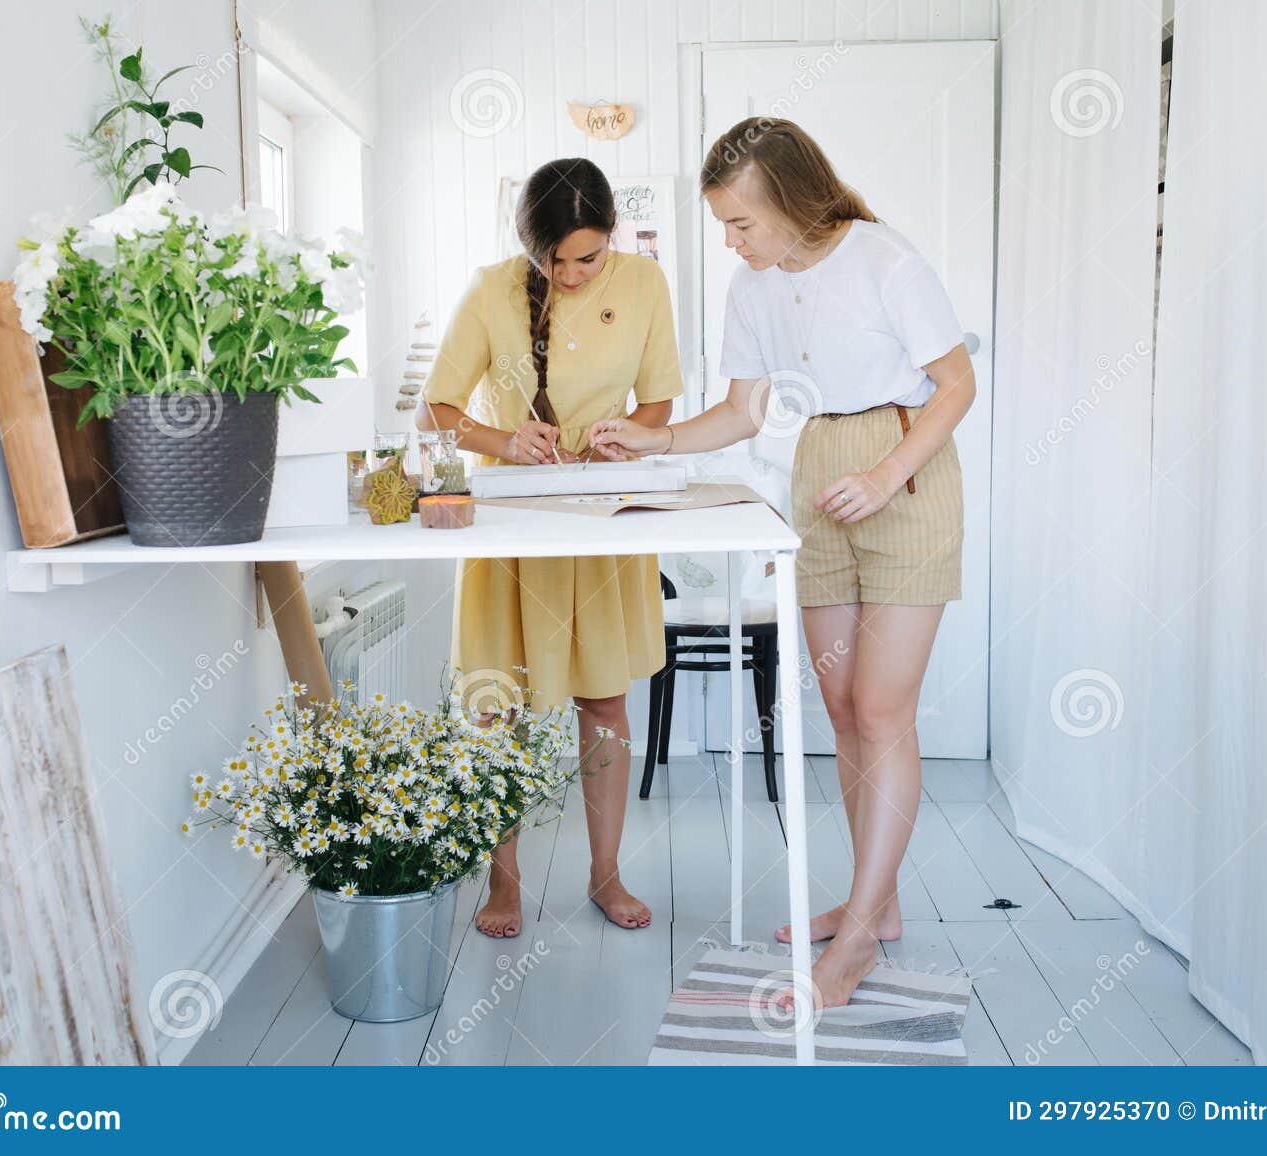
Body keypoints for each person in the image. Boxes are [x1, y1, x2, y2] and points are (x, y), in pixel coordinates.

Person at [589, 118, 975, 1007]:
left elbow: (957, 385)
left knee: (883, 710)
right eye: (723, 224)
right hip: (819, 480)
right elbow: (740, 414)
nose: (730, 241)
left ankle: (860, 941)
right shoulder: (753, 287)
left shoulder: (885, 260)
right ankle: (874, 905)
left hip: (904, 476)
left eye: (741, 223)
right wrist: (650, 442)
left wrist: (884, 474)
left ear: (793, 203)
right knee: (841, 705)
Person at [416, 157, 683, 937]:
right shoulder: (492, 286)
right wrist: (504, 437)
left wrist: (624, 439)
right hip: (508, 523)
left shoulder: (643, 286)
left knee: (603, 697)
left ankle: (606, 873)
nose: (569, 274)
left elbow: (661, 399)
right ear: (528, 245)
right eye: (552, 259)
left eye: (586, 258)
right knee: (496, 703)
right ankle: (504, 885)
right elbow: (438, 409)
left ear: (615, 238)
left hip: (603, 514)